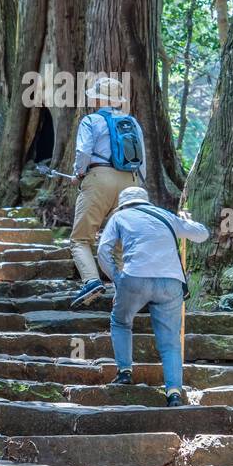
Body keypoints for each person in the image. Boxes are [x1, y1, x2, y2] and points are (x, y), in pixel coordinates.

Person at [97, 186, 209, 407]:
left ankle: (125, 372)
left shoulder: (119, 217)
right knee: (170, 342)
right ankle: (174, 393)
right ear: (145, 201)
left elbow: (103, 251)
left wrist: (117, 279)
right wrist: (185, 220)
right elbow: (202, 234)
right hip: (170, 283)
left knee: (120, 322)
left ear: (124, 203)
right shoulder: (165, 216)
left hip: (135, 278)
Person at [70, 76, 146, 308]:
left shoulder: (91, 120)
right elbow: (142, 160)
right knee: (120, 239)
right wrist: (138, 188)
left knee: (80, 238)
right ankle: (125, 290)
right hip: (130, 182)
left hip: (99, 178)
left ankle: (92, 282)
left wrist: (78, 173)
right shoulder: (132, 123)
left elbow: (83, 151)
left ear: (97, 98)